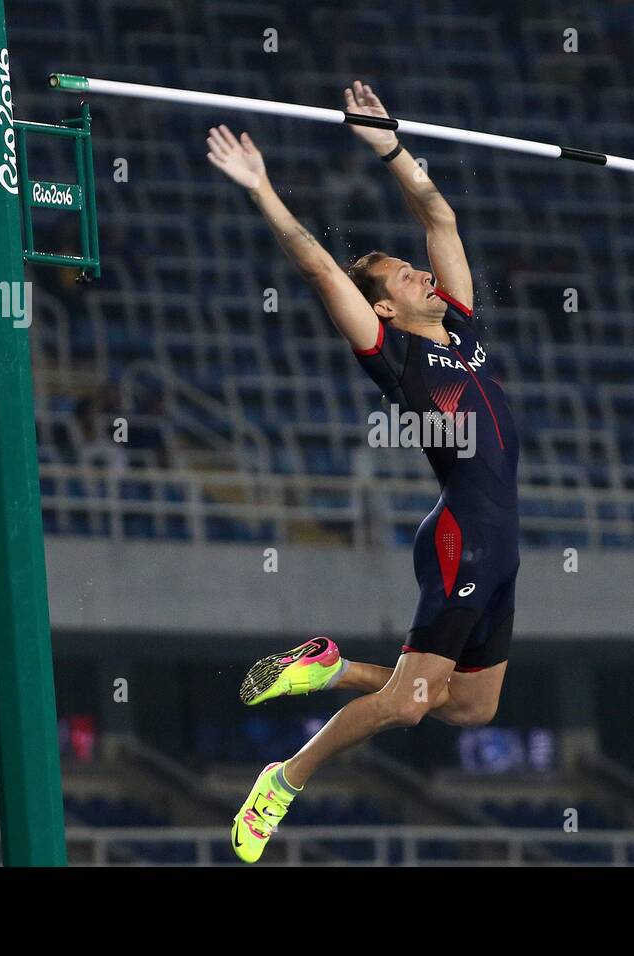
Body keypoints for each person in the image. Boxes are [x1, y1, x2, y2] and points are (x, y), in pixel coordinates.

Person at [206, 81, 521, 863]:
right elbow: (319, 272)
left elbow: (438, 214)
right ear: (381, 310)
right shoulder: (400, 360)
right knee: (412, 705)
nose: (419, 272)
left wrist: (388, 144)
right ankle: (285, 777)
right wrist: (264, 191)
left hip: (499, 540)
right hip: (465, 540)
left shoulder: (464, 327)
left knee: (472, 708)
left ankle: (331, 668)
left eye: (416, 269)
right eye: (401, 277)